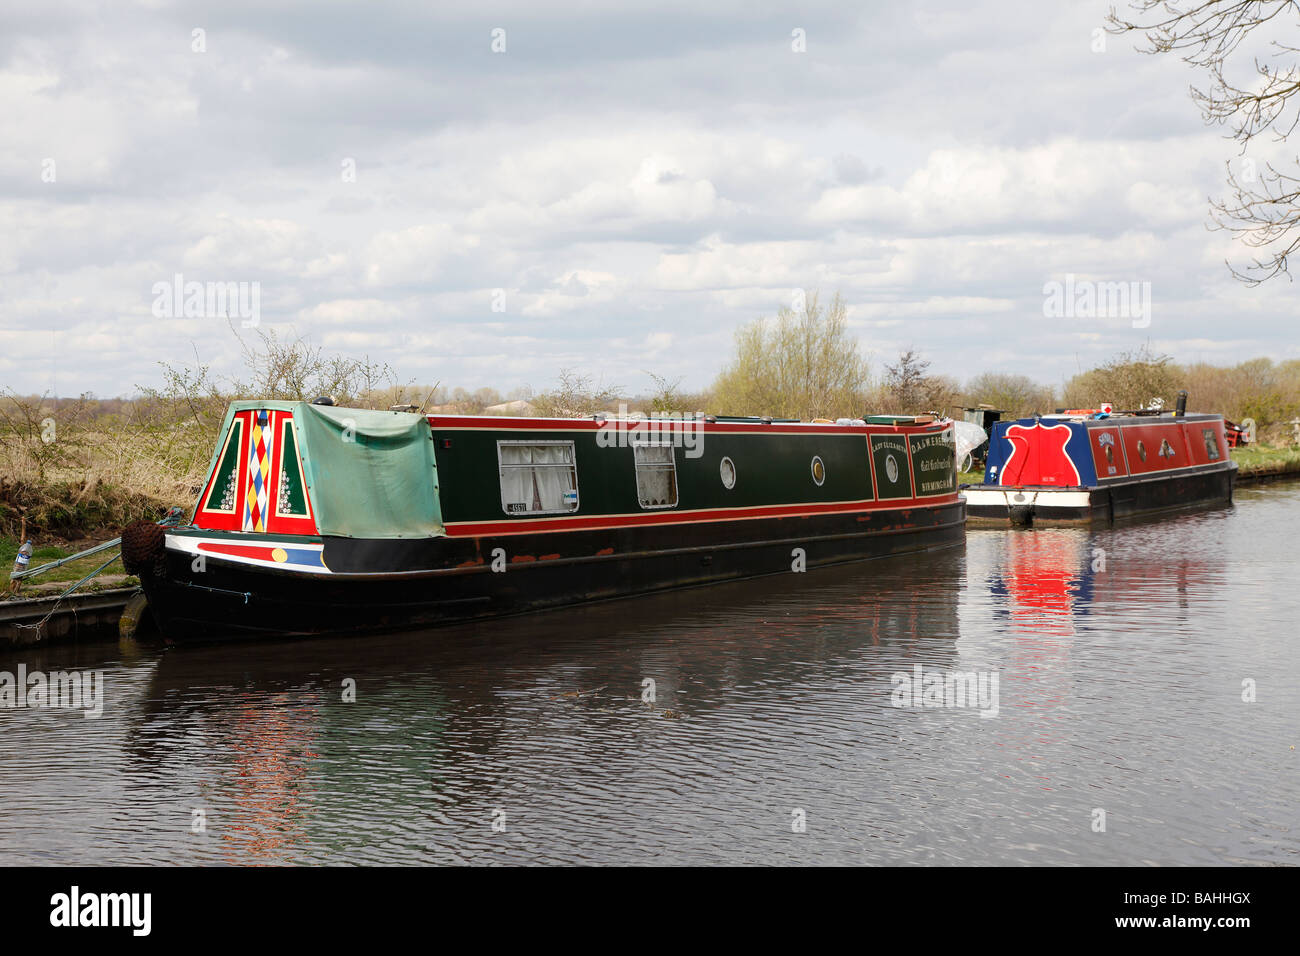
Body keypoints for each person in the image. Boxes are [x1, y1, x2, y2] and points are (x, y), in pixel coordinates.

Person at [8, 517, 32, 598]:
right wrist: (23, 523)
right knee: (15, 577)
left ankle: (16, 591)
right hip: (18, 565)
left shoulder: (27, 549)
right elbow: (23, 538)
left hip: (22, 566)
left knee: (19, 579)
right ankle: (12, 590)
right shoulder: (24, 547)